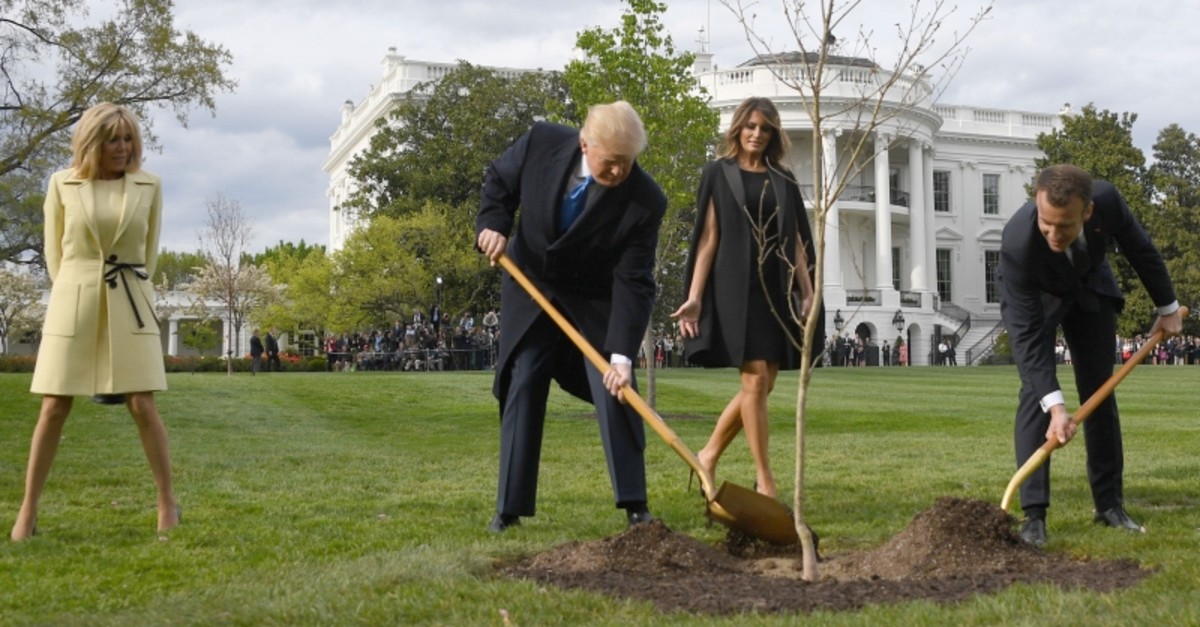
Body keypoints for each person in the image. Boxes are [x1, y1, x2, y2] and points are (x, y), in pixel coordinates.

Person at [475, 101, 667, 532]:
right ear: (585, 144)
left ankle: (635, 504)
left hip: (593, 298)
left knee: (616, 388)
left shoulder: (646, 200)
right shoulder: (542, 142)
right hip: (530, 284)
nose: (619, 171)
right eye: (610, 161)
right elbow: (499, 180)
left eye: (627, 162)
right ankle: (509, 508)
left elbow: (634, 279)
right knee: (524, 378)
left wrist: (622, 355)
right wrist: (493, 225)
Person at [11, 103, 180, 541]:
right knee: (53, 406)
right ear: (91, 143)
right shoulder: (61, 184)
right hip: (75, 299)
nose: (122, 148)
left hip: (131, 299)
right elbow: (54, 257)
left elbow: (149, 254)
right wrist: (79, 288)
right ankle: (28, 510)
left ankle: (167, 502)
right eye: (112, 140)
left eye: (128, 139)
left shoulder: (150, 185)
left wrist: (128, 287)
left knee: (142, 404)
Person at [999, 164, 1182, 547]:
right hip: (1040, 298)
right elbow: (1027, 336)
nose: (1053, 234)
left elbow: (1141, 250)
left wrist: (1167, 308)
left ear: (1088, 212)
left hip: (1090, 288)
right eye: (1046, 223)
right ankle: (1034, 515)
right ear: (1037, 204)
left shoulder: (1108, 201)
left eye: (1065, 226)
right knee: (1035, 394)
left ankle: (1109, 505)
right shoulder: (1018, 243)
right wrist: (1056, 407)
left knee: (1100, 391)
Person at [672, 97, 822, 499]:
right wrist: (695, 297)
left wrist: (808, 292)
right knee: (754, 379)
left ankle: (707, 455)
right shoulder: (718, 173)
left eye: (765, 128)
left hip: (775, 287)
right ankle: (765, 480)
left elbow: (796, 239)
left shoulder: (783, 178)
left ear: (773, 134)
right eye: (751, 126)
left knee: (764, 383)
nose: (757, 134)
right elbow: (708, 238)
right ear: (738, 128)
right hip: (734, 287)